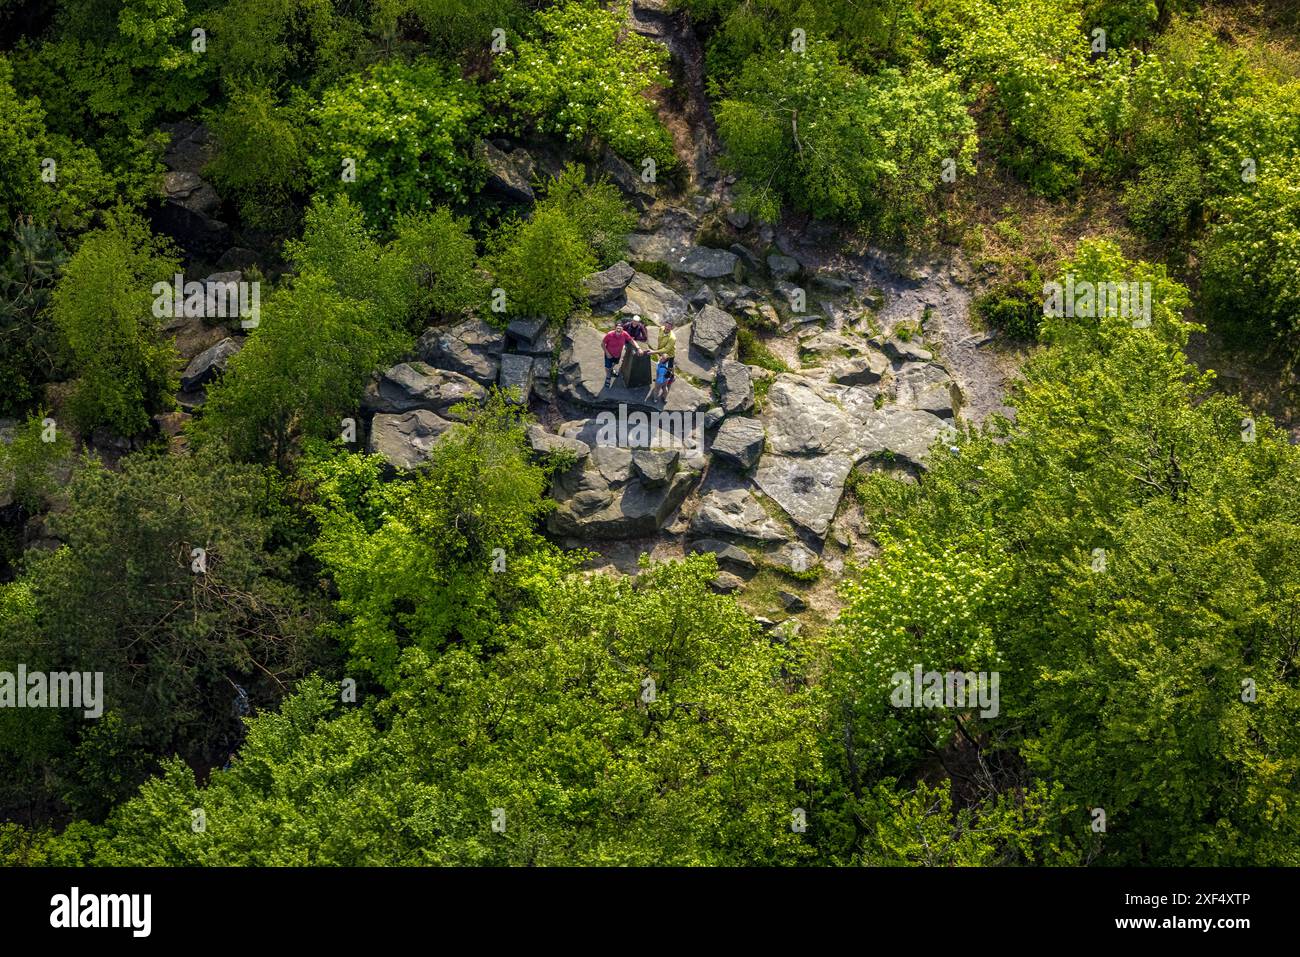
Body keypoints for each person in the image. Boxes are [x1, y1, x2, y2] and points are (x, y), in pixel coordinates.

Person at [602, 320, 635, 389]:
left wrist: (638, 347)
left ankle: (611, 370)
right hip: (609, 354)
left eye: (620, 328)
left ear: (622, 329)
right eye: (617, 328)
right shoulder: (609, 334)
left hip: (617, 354)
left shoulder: (624, 334)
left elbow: (631, 340)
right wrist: (607, 353)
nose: (619, 330)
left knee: (614, 364)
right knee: (607, 367)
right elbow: (602, 344)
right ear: (615, 328)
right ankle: (608, 377)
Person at [650, 320, 676, 404]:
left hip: (669, 355)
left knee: (669, 370)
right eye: (666, 325)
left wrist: (654, 352)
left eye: (669, 326)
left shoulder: (672, 338)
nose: (667, 327)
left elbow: (666, 349)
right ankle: (660, 378)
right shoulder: (661, 329)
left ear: (672, 328)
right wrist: (659, 353)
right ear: (665, 325)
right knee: (659, 367)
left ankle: (669, 379)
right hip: (661, 353)